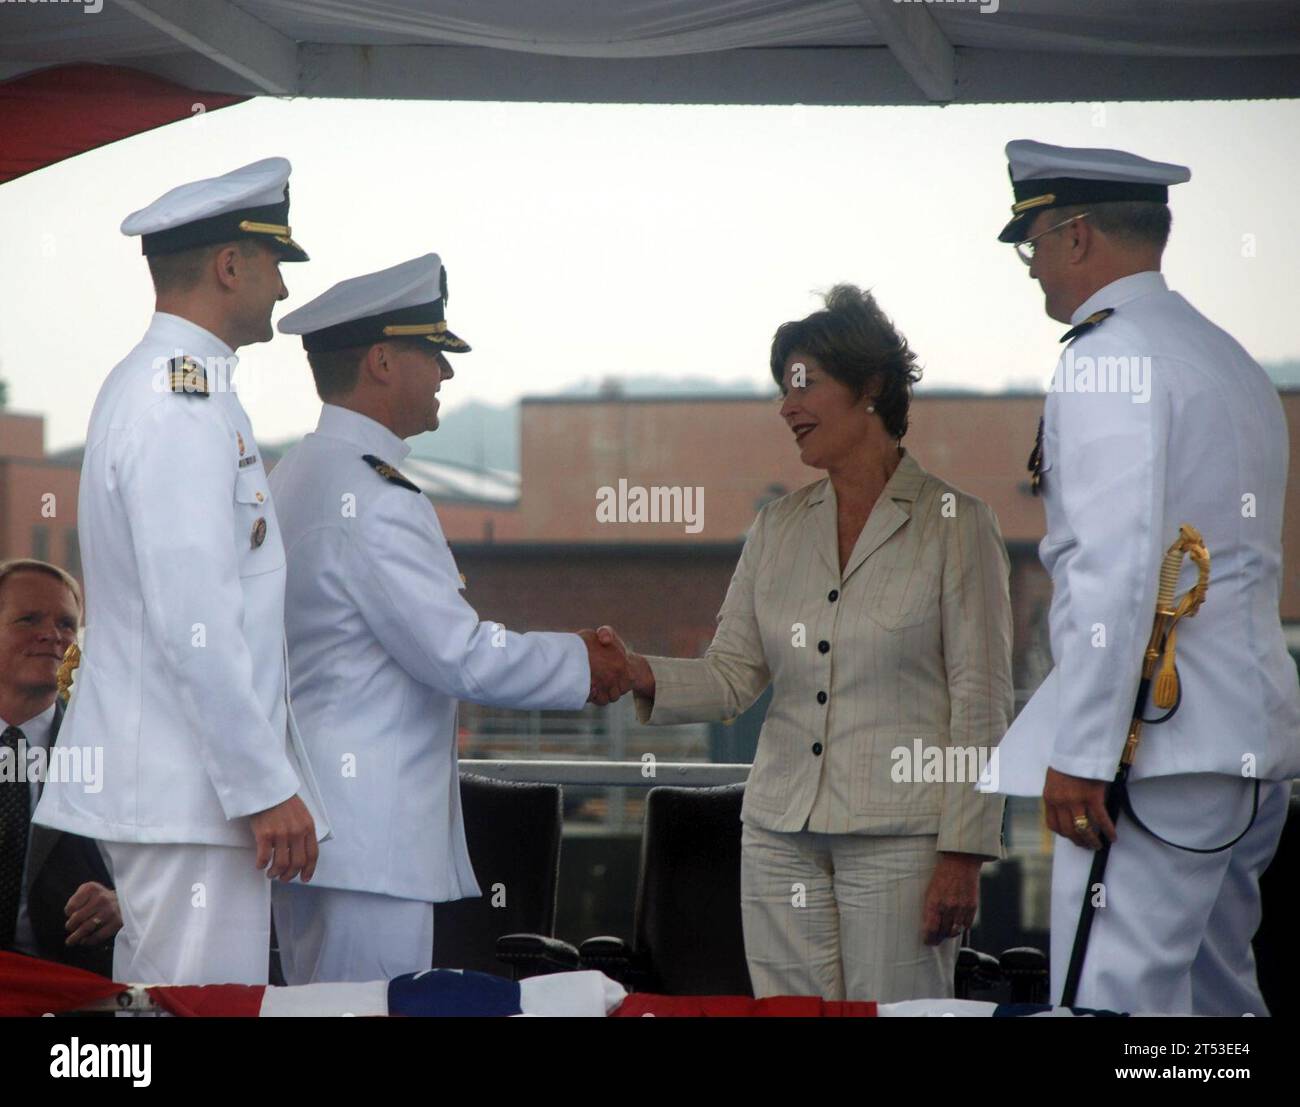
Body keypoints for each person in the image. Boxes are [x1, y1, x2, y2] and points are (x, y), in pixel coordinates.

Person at [613, 285, 1012, 1002]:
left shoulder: (957, 524)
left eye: (804, 384)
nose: (786, 406)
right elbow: (733, 674)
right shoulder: (777, 528)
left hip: (903, 842)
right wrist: (637, 672)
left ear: (872, 387)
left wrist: (964, 849)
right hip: (776, 836)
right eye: (781, 388)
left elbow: (982, 698)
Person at [988, 139, 1300, 1014]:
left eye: (1034, 243)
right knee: (1216, 1004)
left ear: (1078, 236)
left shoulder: (1106, 358)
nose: (1033, 268)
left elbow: (1114, 570)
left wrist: (1083, 753)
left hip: (1152, 754)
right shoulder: (1227, 356)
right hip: (1243, 743)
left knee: (1110, 1006)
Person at [269, 253, 631, 983]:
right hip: (371, 845)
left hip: (318, 825)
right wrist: (583, 665)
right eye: (431, 352)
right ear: (380, 361)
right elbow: (458, 654)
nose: (446, 374)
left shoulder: (294, 476)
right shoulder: (378, 498)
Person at [32, 158, 330, 986]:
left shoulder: (181, 389)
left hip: (185, 789)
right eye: (272, 264)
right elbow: (192, 615)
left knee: (172, 1007)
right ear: (230, 265)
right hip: (189, 793)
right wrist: (262, 786)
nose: (278, 288)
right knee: (193, 1010)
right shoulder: (178, 399)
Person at [0, 560, 120, 977]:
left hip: (74, 991)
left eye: (67, 624)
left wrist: (122, 902)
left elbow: (169, 874)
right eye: (29, 618)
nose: (53, 635)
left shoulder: (112, 750)